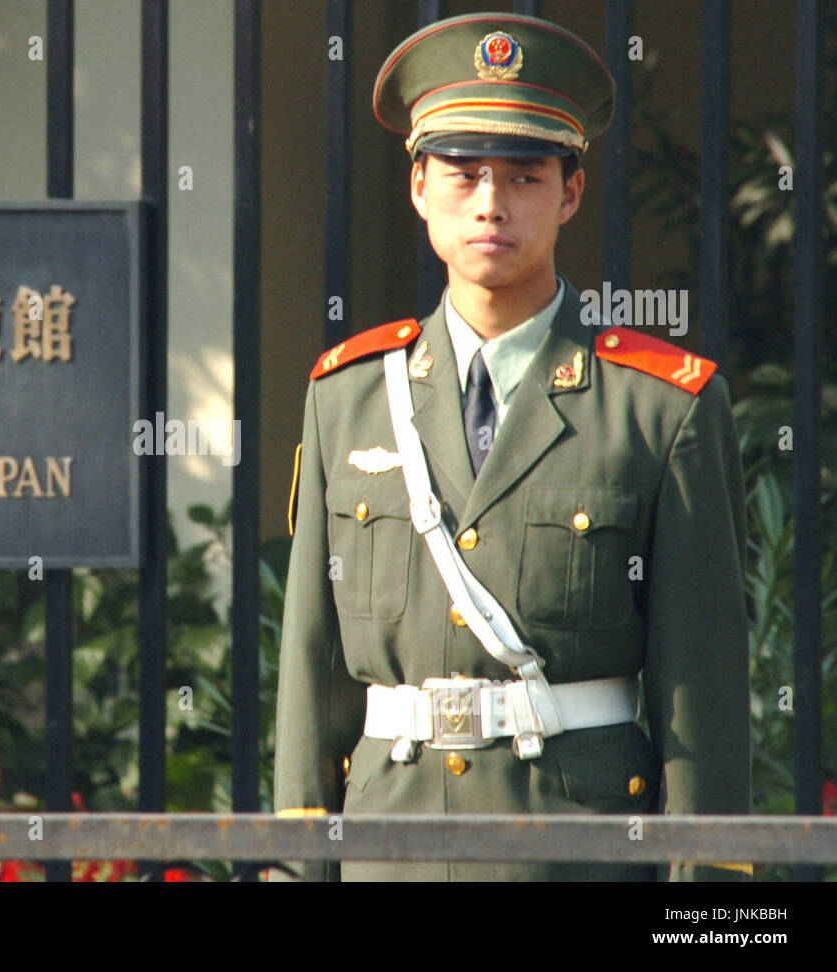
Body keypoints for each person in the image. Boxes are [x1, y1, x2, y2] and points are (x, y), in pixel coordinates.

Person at [272, 11, 751, 881]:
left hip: (582, 853)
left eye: (524, 176)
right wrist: (297, 868)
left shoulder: (658, 408)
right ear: (418, 187)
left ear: (570, 193)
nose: (491, 203)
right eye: (462, 174)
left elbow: (703, 699)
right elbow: (314, 672)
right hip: (391, 850)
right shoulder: (345, 396)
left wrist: (712, 917)